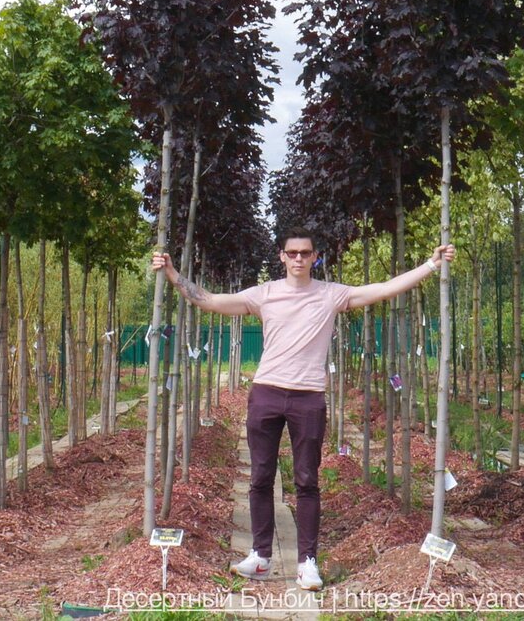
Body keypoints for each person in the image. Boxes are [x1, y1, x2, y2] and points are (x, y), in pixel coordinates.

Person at [152, 226, 455, 591]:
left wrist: (430, 265)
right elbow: (210, 300)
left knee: (307, 480)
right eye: (292, 253)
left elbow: (381, 290)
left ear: (315, 257)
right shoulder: (264, 295)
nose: (298, 259)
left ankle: (307, 561)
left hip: (308, 397)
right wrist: (171, 274)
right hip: (265, 393)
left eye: (305, 253)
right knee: (261, 477)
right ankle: (261, 556)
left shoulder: (330, 295)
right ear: (281, 256)